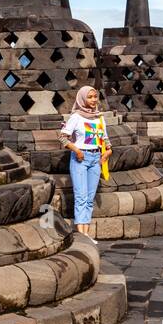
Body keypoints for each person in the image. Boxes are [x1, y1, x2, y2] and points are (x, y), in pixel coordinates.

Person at [59, 85, 111, 237]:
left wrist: (108, 151)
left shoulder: (100, 117)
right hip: (80, 159)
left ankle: (86, 233)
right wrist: (77, 150)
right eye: (89, 97)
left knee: (89, 198)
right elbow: (62, 137)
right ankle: (82, 235)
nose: (93, 100)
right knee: (81, 197)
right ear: (82, 98)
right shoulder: (76, 117)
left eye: (95, 96)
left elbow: (105, 139)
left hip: (96, 159)